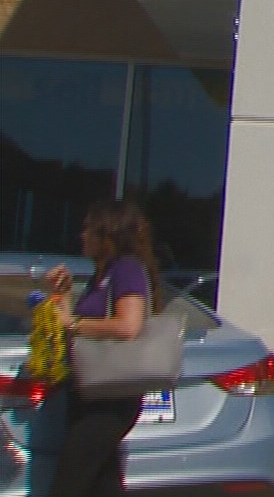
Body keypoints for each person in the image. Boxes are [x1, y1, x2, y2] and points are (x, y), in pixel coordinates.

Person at [43, 200, 159, 497]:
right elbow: (73, 326)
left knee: (69, 484)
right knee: (102, 485)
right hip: (89, 393)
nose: (82, 235)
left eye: (88, 229)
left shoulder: (127, 269)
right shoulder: (102, 274)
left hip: (112, 397)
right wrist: (63, 294)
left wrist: (73, 323)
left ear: (108, 233)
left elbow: (128, 326)